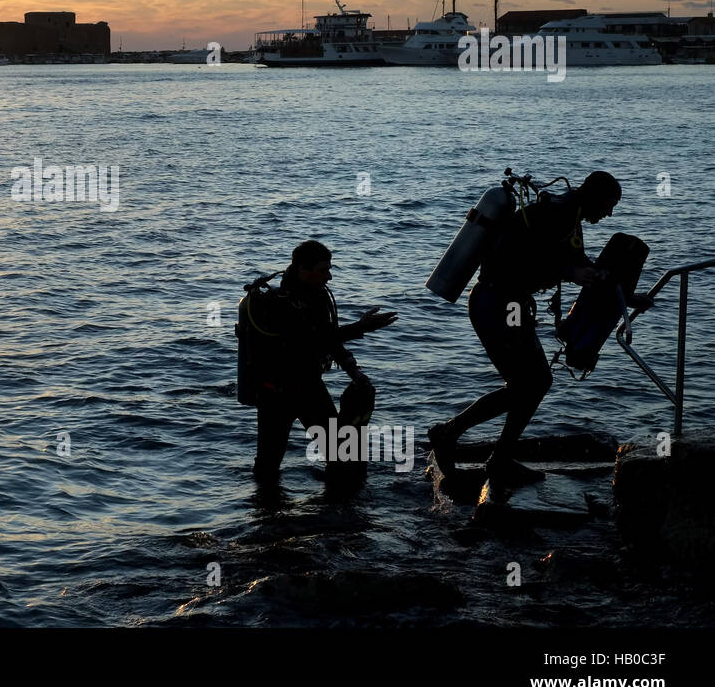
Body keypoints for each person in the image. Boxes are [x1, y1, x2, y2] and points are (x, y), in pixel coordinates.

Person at [428, 171, 652, 490]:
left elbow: (576, 262)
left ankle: (496, 455)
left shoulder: (568, 214)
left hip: (510, 304)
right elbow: (519, 254)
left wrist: (625, 297)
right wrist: (569, 270)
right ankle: (452, 435)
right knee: (528, 383)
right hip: (498, 303)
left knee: (532, 382)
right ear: (593, 196)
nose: (609, 213)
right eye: (609, 205)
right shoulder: (557, 212)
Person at [251, 240, 397, 484]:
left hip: (309, 387)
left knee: (342, 457)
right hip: (276, 394)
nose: (329, 276)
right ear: (302, 270)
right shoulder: (279, 304)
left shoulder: (318, 297)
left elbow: (330, 340)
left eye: (330, 269)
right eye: (323, 270)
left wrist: (354, 372)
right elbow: (310, 340)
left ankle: (337, 512)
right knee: (268, 466)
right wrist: (360, 327)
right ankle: (267, 516)